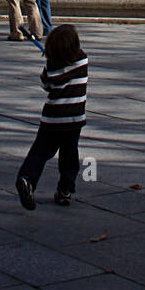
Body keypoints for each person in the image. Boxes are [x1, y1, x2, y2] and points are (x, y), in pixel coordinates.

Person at [16, 23, 88, 210]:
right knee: (69, 156)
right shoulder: (83, 61)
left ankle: (27, 178)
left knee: (40, 153)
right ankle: (65, 189)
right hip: (74, 121)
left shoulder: (51, 68)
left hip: (52, 120)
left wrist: (51, 60)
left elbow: (45, 85)